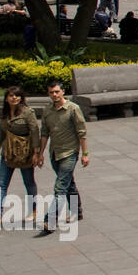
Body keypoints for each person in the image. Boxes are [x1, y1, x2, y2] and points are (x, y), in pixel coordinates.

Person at [35, 79, 87, 236]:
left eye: (57, 91)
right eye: (51, 92)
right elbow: (44, 133)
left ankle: (50, 220)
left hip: (69, 153)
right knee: (68, 183)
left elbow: (82, 133)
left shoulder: (73, 109)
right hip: (54, 153)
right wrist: (40, 154)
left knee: (60, 187)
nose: (54, 95)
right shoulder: (47, 111)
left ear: (63, 92)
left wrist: (85, 154)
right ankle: (77, 211)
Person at [0, 86, 41, 233]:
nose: (14, 98)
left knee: (29, 182)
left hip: (25, 154)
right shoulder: (4, 115)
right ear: (6, 99)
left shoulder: (28, 113)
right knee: (1, 185)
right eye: (11, 96)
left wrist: (36, 152)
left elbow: (35, 131)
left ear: (21, 98)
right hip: (7, 154)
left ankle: (34, 211)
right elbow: (1, 134)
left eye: (17, 96)